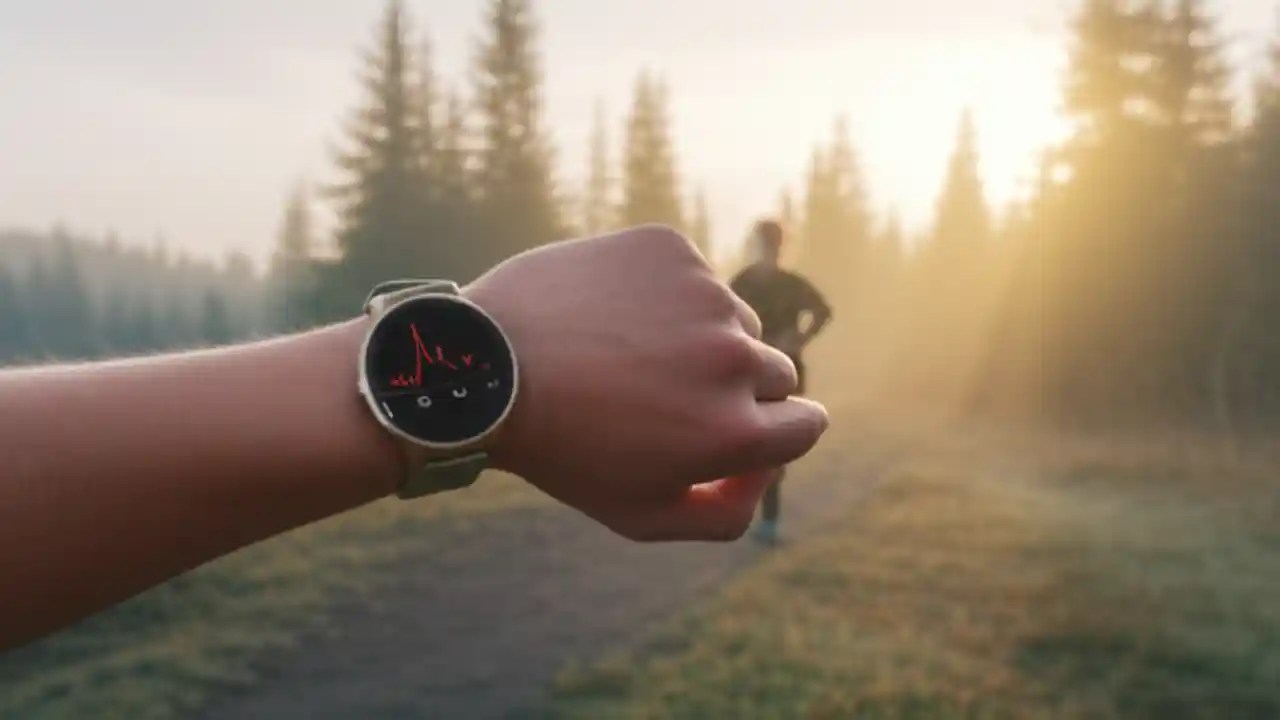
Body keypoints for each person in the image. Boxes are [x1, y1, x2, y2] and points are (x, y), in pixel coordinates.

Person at [0, 225, 828, 650]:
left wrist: (798, 338)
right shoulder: (756, 278)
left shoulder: (780, 280)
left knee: (755, 443)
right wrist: (520, 356)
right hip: (478, 368)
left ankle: (778, 515)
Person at [729, 220, 833, 544]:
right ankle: (747, 509)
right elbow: (723, 315)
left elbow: (823, 312)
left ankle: (769, 519)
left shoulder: (791, 284)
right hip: (751, 371)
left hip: (784, 372)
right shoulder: (743, 282)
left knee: (771, 445)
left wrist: (798, 339)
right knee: (753, 443)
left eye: (759, 241)